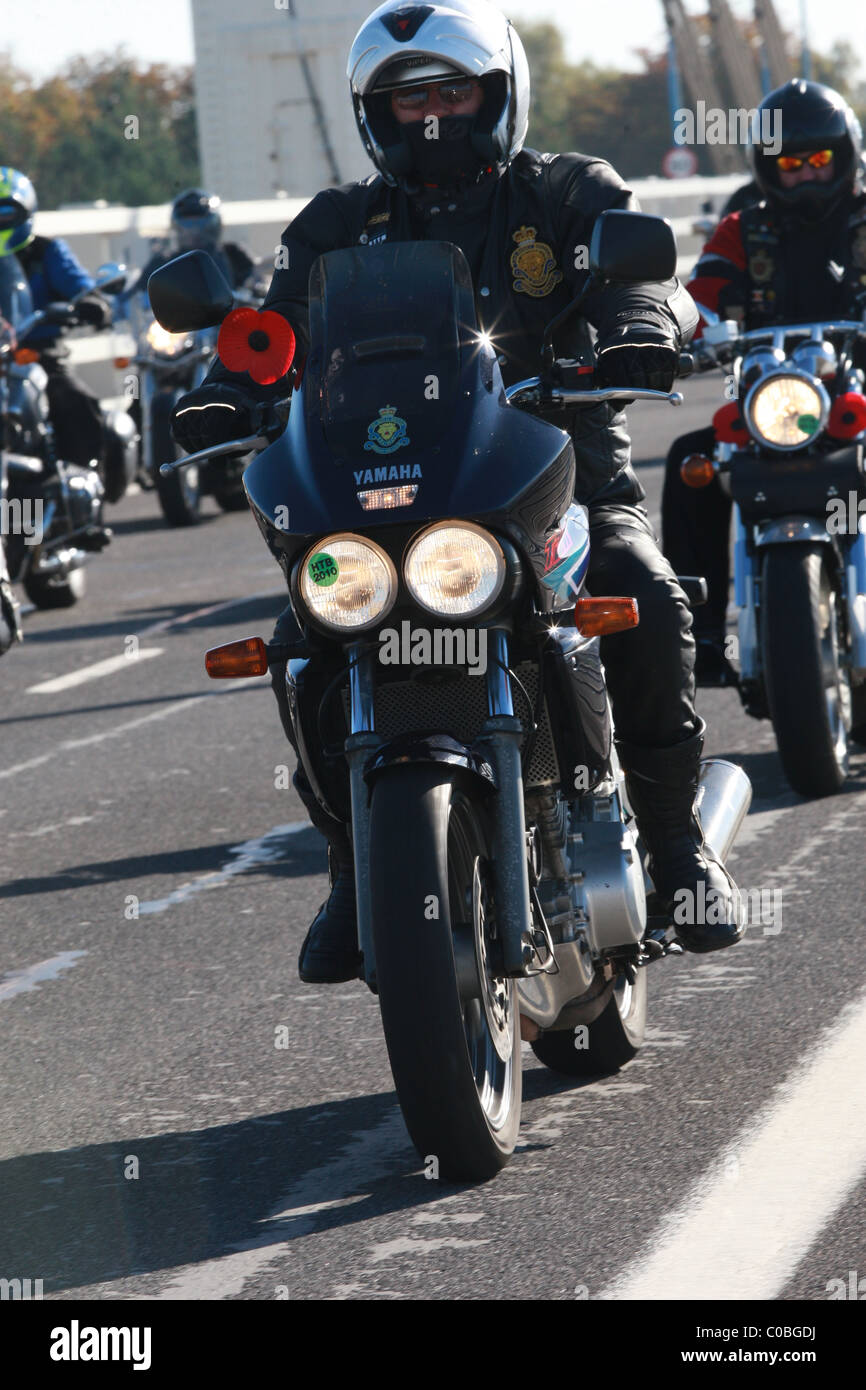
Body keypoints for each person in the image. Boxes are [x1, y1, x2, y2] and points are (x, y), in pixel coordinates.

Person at [171, 0, 745, 981]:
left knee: (637, 591)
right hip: (388, 497)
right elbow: (274, 334)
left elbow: (630, 273)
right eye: (405, 100)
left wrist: (636, 328)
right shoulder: (335, 225)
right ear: (372, 115)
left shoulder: (565, 191)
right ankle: (356, 865)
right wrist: (226, 387)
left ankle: (674, 845)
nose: (428, 113)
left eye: (450, 91)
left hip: (553, 478)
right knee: (301, 646)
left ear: (498, 92)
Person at [662, 79, 866, 684]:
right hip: (777, 401)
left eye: (818, 161)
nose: (804, 175)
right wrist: (675, 334)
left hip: (858, 391)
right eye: (790, 164)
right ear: (766, 167)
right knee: (690, 460)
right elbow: (695, 300)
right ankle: (698, 638)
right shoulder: (743, 229)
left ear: (845, 155)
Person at [0, 167, 111, 470]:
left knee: (73, 399)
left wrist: (91, 303)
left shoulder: (47, 251)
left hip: (39, 352)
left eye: (6, 211)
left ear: (26, 212)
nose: (1, 219)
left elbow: (80, 286)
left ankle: (87, 480)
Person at [127, 189, 256, 298]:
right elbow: (136, 295)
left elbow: (255, 281)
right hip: (176, 325)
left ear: (214, 226)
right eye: (187, 225)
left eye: (201, 225)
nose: (194, 232)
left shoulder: (233, 254)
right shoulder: (162, 262)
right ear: (177, 228)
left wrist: (254, 288)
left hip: (228, 323)